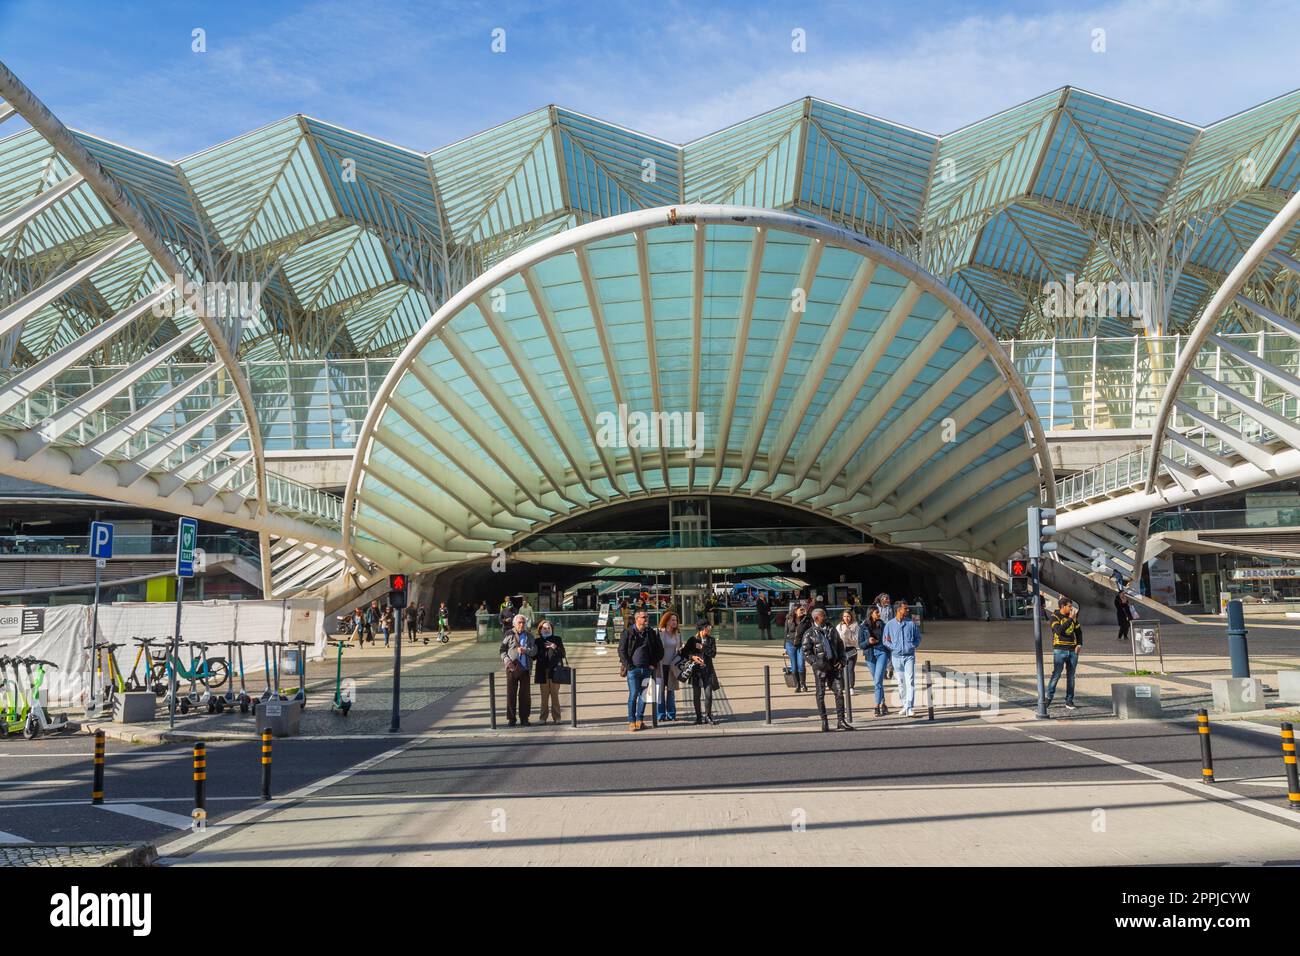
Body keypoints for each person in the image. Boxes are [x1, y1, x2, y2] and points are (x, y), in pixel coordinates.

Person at [801, 607, 853, 731]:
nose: (826, 617)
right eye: (823, 615)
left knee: (839, 692)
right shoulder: (809, 633)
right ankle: (824, 721)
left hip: (834, 665)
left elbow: (840, 645)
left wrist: (842, 660)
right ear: (817, 618)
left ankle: (841, 720)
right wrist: (816, 662)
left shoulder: (831, 629)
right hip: (820, 668)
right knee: (820, 694)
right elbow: (806, 651)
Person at [618, 608, 663, 731]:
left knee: (643, 696)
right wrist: (629, 666)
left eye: (647, 617)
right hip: (633, 670)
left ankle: (640, 721)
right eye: (644, 617)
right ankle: (631, 721)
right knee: (633, 695)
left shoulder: (651, 632)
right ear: (637, 619)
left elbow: (660, 650)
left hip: (647, 669)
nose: (646, 619)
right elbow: (621, 651)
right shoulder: (627, 632)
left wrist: (653, 664)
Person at [882, 600, 922, 717]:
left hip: (909, 656)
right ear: (899, 610)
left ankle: (910, 707)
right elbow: (885, 640)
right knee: (901, 682)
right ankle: (904, 704)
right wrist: (893, 647)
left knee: (910, 681)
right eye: (905, 609)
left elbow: (918, 638)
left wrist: (913, 645)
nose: (907, 610)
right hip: (896, 657)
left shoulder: (911, 623)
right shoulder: (890, 624)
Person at [499, 614, 536, 726]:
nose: (521, 624)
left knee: (525, 695)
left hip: (525, 668)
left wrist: (527, 650)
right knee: (511, 694)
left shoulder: (529, 636)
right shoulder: (509, 634)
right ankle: (511, 719)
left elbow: (534, 651)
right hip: (512, 667)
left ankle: (524, 718)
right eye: (519, 622)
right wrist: (506, 661)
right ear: (514, 624)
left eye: (523, 622)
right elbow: (502, 650)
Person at [679, 620, 718, 725]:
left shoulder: (711, 640)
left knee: (708, 694)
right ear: (702, 628)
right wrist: (693, 657)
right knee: (696, 695)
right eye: (708, 627)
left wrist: (702, 647)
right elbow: (684, 653)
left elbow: (713, 654)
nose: (710, 628)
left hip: (708, 670)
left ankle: (708, 716)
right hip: (696, 672)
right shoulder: (692, 640)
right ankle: (698, 717)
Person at [1047, 599, 1082, 711]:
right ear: (1063, 606)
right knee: (1056, 675)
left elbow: (1078, 631)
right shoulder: (1055, 617)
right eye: (1069, 606)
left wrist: (1079, 644)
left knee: (1071, 677)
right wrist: (1070, 619)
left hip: (1072, 650)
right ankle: (1048, 698)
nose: (1071, 609)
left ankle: (1069, 700)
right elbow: (1059, 630)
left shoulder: (1073, 616)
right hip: (1060, 650)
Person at [533, 618, 566, 724]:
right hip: (543, 672)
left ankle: (557, 717)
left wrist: (554, 647)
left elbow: (563, 654)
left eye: (548, 628)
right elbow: (534, 656)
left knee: (555, 695)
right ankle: (543, 718)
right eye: (544, 628)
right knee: (544, 696)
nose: (546, 630)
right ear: (540, 629)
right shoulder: (537, 641)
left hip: (555, 671)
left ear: (552, 629)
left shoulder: (557, 639)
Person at [862, 605, 889, 716]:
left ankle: (876, 706)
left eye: (878, 612)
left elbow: (888, 639)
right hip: (870, 655)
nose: (879, 614)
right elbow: (861, 644)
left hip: (881, 652)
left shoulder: (883, 624)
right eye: (876, 612)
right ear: (871, 613)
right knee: (877, 681)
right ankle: (883, 703)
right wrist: (868, 642)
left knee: (877, 680)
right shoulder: (863, 626)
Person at [656, 610, 683, 722]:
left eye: (676, 620)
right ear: (666, 621)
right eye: (672, 620)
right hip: (661, 666)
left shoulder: (678, 634)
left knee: (671, 691)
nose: (674, 622)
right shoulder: (659, 633)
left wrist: (681, 649)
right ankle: (661, 715)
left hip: (672, 666)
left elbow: (680, 648)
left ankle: (671, 714)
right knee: (660, 691)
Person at [783, 603, 811, 692]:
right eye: (800, 610)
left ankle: (803, 684)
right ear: (795, 611)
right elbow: (785, 632)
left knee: (801, 665)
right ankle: (797, 685)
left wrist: (807, 615)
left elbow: (810, 631)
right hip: (790, 644)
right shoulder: (789, 619)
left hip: (801, 644)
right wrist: (785, 648)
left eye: (803, 610)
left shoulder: (806, 619)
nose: (802, 611)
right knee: (794, 667)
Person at [836, 609, 861, 694]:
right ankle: (843, 686)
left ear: (851, 617)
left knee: (850, 669)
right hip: (841, 649)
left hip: (851, 649)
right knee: (842, 669)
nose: (846, 618)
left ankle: (851, 687)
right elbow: (838, 638)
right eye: (845, 616)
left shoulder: (855, 626)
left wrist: (848, 632)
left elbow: (855, 640)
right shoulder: (839, 626)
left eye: (848, 616)